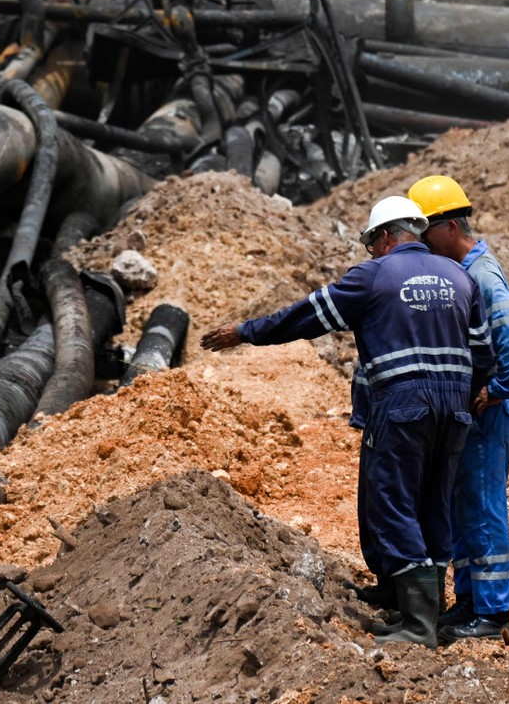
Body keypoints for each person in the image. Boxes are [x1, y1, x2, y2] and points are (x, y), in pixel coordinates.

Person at [201, 195, 493, 648]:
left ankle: (417, 626)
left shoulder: (374, 276)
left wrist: (245, 332)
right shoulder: (460, 277)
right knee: (434, 503)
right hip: (456, 404)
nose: (372, 252)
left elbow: (306, 317)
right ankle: (427, 615)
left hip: (403, 403)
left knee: (392, 502)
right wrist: (467, 395)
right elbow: (483, 352)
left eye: (372, 243)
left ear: (385, 236)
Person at [408, 174, 509, 643]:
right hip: (472, 409)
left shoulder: (481, 273)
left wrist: (501, 387)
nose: (420, 243)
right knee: (462, 504)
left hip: (487, 410)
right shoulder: (464, 270)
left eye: (424, 232)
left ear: (450, 227)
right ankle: (469, 601)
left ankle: (494, 612)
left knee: (481, 503)